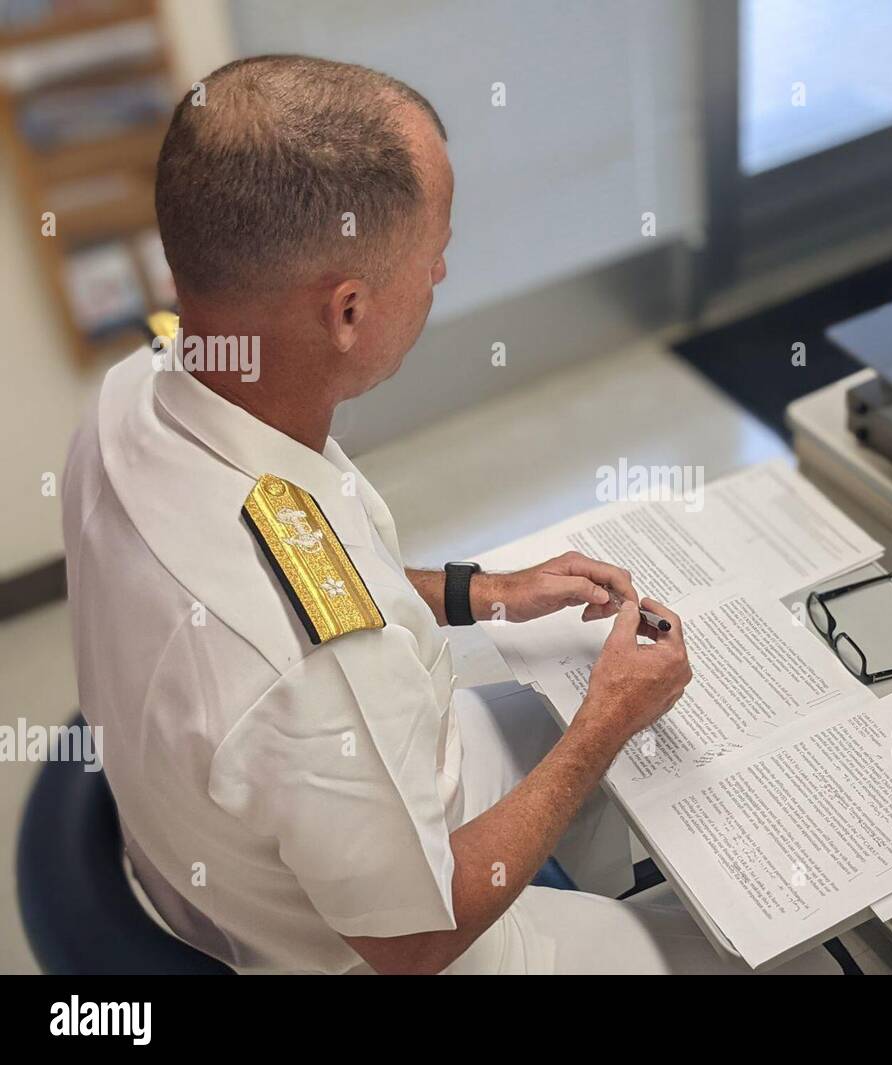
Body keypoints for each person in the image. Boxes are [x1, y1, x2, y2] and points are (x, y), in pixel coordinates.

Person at [61, 55, 836, 975]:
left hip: (263, 834)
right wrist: (606, 721)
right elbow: (414, 936)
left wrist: (485, 592)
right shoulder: (314, 670)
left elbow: (327, 593)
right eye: (433, 252)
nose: (439, 269)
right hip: (398, 941)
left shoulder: (134, 399)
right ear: (347, 311)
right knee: (787, 950)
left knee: (574, 712)